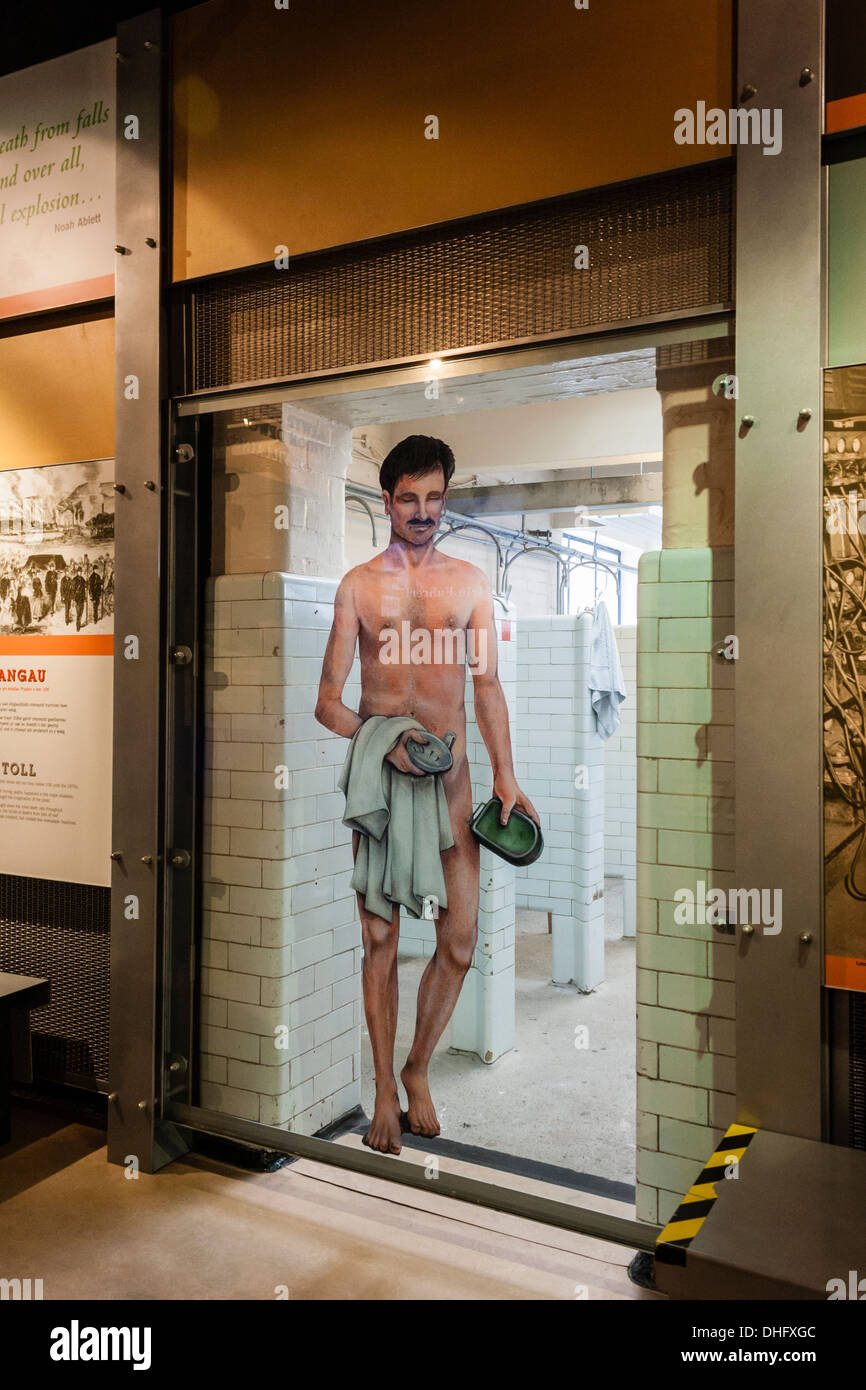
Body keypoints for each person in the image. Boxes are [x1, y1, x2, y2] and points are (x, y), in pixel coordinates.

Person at [315, 435, 538, 1155]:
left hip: (452, 788)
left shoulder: (470, 584)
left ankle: (418, 1067)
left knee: (460, 941)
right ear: (386, 500)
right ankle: (384, 1086)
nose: (422, 511)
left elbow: (486, 685)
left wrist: (505, 774)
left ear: (446, 498)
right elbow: (327, 703)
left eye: (434, 498)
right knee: (380, 940)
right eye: (408, 498)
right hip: (383, 788)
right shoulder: (357, 587)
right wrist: (379, 739)